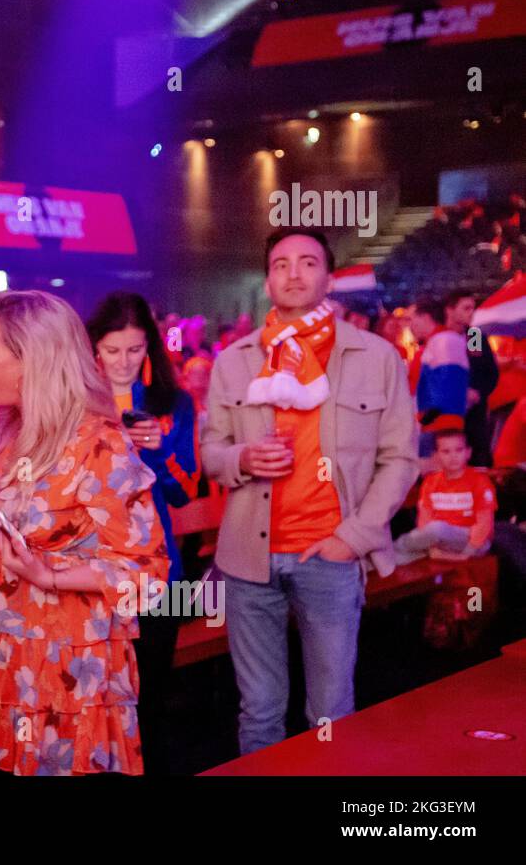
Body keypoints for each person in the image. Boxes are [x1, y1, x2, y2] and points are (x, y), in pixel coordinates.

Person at [0, 290, 168, 775]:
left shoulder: (99, 446)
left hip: (60, 672)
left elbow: (146, 576)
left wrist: (48, 573)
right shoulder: (10, 430)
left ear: (32, 358)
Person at [202, 228, 418, 755]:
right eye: (280, 264)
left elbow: (401, 459)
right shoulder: (235, 361)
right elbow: (210, 450)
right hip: (247, 560)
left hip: (330, 553)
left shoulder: (375, 356)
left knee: (330, 713)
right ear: (268, 279)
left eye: (307, 263)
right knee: (259, 712)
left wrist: (355, 537)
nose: (293, 274)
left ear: (329, 276)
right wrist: (241, 459)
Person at [86, 290, 200, 773]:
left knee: (148, 694)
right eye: (112, 351)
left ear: (149, 347)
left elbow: (186, 490)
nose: (123, 362)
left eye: (134, 350)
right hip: (88, 569)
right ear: (93, 350)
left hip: (158, 569)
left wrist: (155, 451)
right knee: (89, 696)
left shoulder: (172, 402)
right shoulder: (76, 402)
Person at [393, 430, 495, 565]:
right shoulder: (430, 482)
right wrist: (432, 549)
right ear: (436, 456)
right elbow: (424, 520)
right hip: (438, 542)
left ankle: (398, 545)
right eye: (446, 452)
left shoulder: (480, 481)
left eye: (458, 450)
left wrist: (467, 554)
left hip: (472, 542)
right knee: (396, 560)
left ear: (468, 453)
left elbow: (484, 524)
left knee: (437, 528)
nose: (453, 456)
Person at [409, 297, 469, 459]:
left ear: (425, 317)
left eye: (411, 319)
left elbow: (448, 383)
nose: (410, 325)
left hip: (439, 425)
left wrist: (426, 419)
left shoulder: (445, 340)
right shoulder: (436, 342)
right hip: (434, 424)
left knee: (434, 476)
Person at [445, 289, 498, 467]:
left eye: (472, 308)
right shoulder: (440, 337)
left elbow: (489, 371)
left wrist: (478, 392)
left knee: (479, 459)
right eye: (466, 308)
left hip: (475, 414)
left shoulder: (473, 336)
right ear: (450, 310)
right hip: (447, 415)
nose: (471, 313)